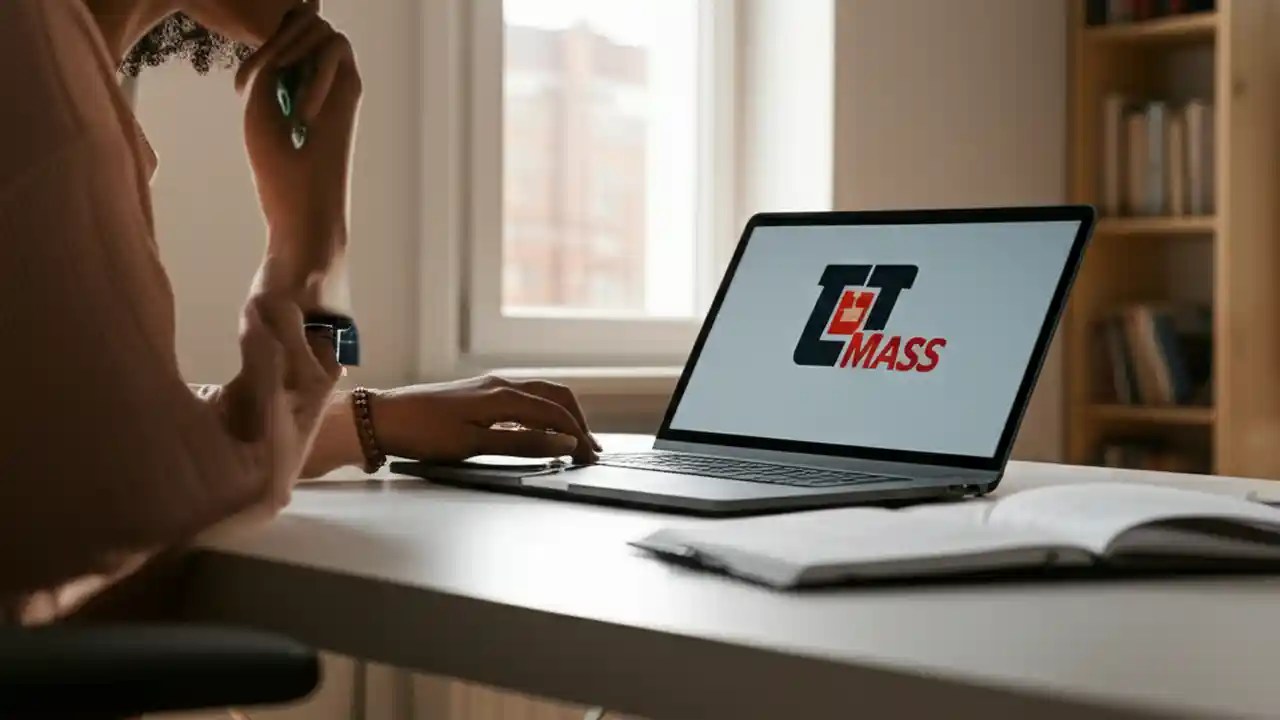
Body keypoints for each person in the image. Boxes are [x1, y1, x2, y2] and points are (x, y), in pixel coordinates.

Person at [0, 0, 600, 625]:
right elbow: (133, 499)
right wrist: (312, 245)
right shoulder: (35, 73)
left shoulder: (65, 73)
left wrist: (367, 422)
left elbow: (90, 428)